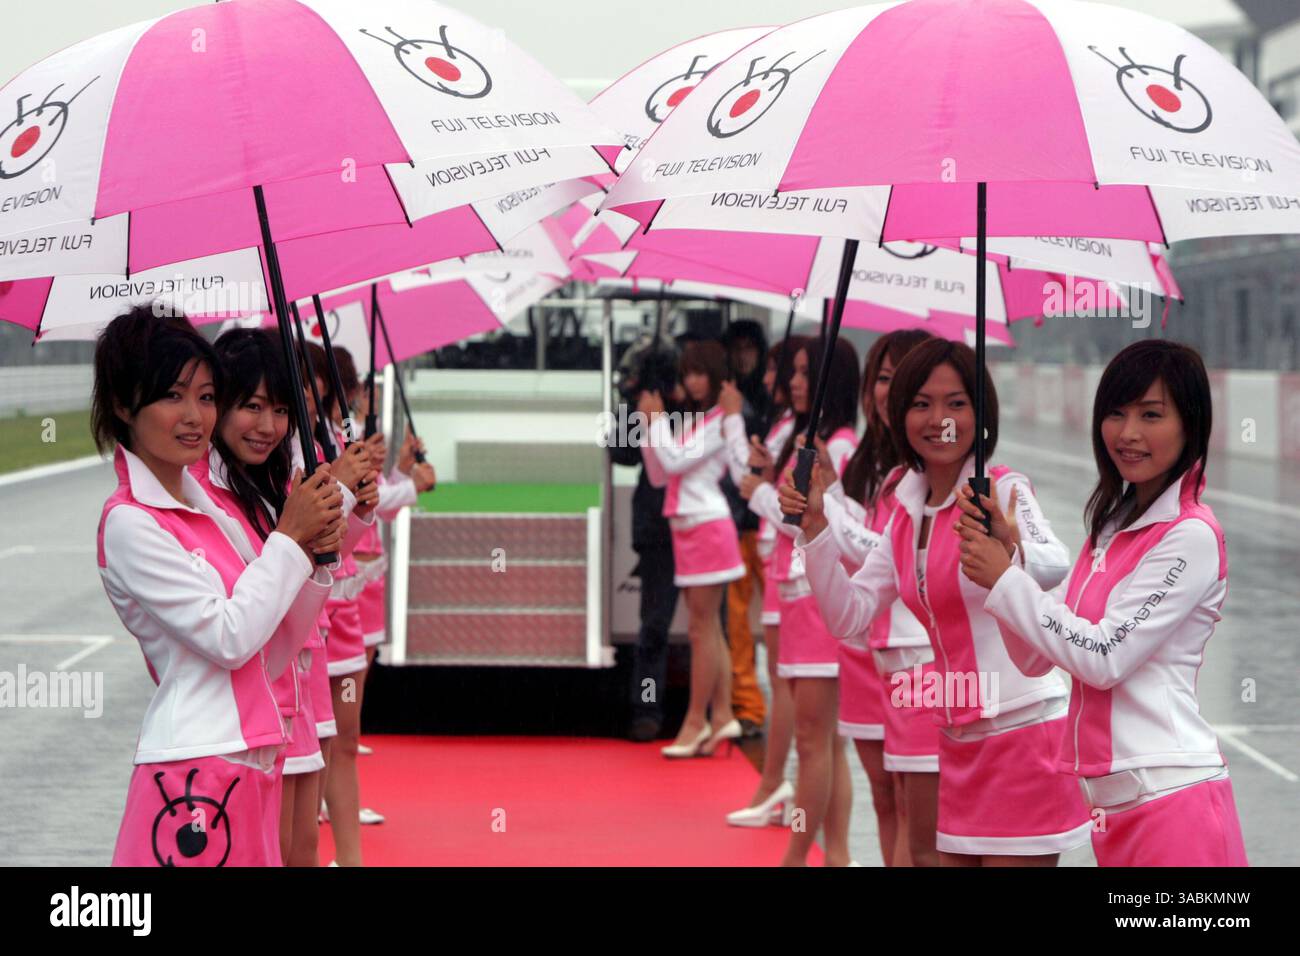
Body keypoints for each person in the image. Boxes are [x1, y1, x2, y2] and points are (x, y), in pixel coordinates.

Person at [784, 338, 1091, 866]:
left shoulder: (1003, 488)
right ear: (899, 415)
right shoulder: (906, 508)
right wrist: (815, 530)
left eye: (956, 403)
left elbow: (1054, 560)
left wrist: (1008, 544)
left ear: (981, 412)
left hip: (1021, 732)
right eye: (922, 403)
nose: (939, 419)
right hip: (954, 738)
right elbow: (849, 615)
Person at [956, 340, 1247, 866]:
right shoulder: (1111, 527)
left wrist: (1008, 583)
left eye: (1151, 415)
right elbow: (1035, 658)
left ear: (1191, 425)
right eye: (1115, 413)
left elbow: (1103, 657)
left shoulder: (1191, 535)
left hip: (1173, 804)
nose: (1128, 433)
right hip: (1117, 810)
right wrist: (1011, 561)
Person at [93, 306, 343, 866]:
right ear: (121, 405)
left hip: (250, 759)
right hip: (193, 769)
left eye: (206, 397)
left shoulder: (207, 505)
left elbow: (272, 647)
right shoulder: (131, 521)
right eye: (172, 396)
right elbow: (229, 638)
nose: (194, 416)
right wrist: (287, 538)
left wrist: (313, 557)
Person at [203, 329, 377, 866]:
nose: (269, 425)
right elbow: (242, 621)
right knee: (273, 848)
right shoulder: (205, 495)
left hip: (296, 679)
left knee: (300, 845)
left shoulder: (271, 480)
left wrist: (351, 508)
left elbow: (310, 578)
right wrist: (326, 508)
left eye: (281, 408)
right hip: (251, 703)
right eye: (251, 406)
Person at [743, 336, 860, 867]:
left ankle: (797, 857)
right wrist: (770, 476)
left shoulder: (838, 446)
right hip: (800, 596)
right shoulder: (810, 437)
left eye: (804, 372)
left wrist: (760, 494)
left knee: (815, 741)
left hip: (816, 600)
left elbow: (817, 526)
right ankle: (835, 854)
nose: (792, 381)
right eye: (791, 371)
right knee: (824, 743)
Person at [830, 328, 938, 866]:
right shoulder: (865, 462)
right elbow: (868, 565)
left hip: (920, 655)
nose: (888, 392)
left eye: (906, 382)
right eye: (884, 379)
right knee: (885, 793)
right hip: (868, 646)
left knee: (916, 807)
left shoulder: (938, 471)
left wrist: (827, 510)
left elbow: (889, 553)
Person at [638, 340, 749, 758]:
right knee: (706, 629)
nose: (692, 380)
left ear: (717, 374)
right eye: (688, 372)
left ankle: (696, 721)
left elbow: (676, 461)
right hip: (690, 526)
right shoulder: (702, 420)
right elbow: (658, 473)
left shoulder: (722, 421)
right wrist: (650, 425)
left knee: (701, 629)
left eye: (700, 372)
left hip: (706, 527)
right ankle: (720, 716)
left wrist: (657, 422)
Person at [725, 339, 799, 826]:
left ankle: (777, 787)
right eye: (775, 371)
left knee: (791, 691)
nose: (776, 380)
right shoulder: (786, 427)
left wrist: (732, 421)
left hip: (793, 572)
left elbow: (746, 481)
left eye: (786, 371)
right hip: (782, 567)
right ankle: (776, 787)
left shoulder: (807, 432)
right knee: (785, 686)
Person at [609, 338, 682, 742]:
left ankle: (729, 710)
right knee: (652, 627)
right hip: (657, 530)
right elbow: (619, 452)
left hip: (702, 528)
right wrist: (631, 405)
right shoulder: (642, 408)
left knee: (717, 629)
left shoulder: (705, 413)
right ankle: (646, 709)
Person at [721, 319, 770, 735]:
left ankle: (784, 695)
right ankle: (748, 706)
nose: (743, 356)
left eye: (749, 348)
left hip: (769, 525)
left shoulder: (773, 399)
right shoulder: (724, 399)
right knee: (737, 623)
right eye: (736, 348)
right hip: (737, 524)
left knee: (778, 619)